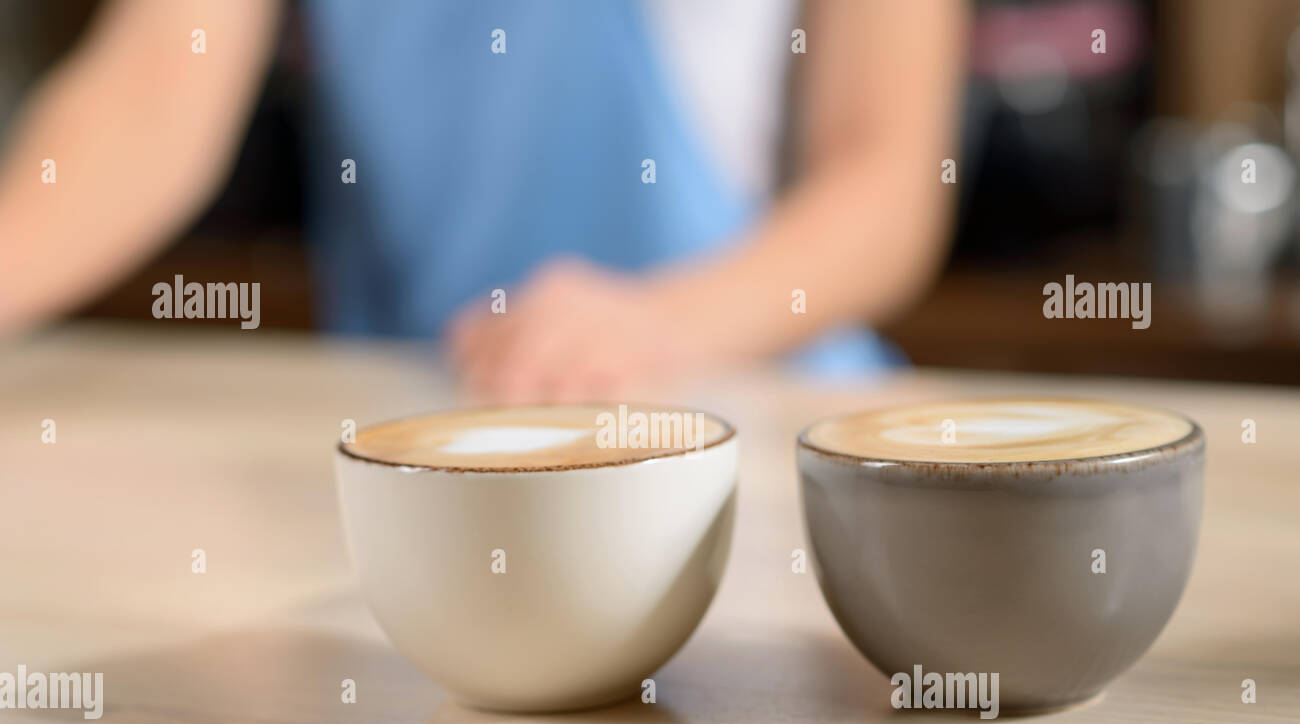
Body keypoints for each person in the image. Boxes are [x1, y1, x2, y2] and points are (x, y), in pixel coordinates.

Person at [0, 0, 967, 400]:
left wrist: (659, 325)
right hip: (414, 437)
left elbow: (888, 184)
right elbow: (149, 102)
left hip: (751, 432)